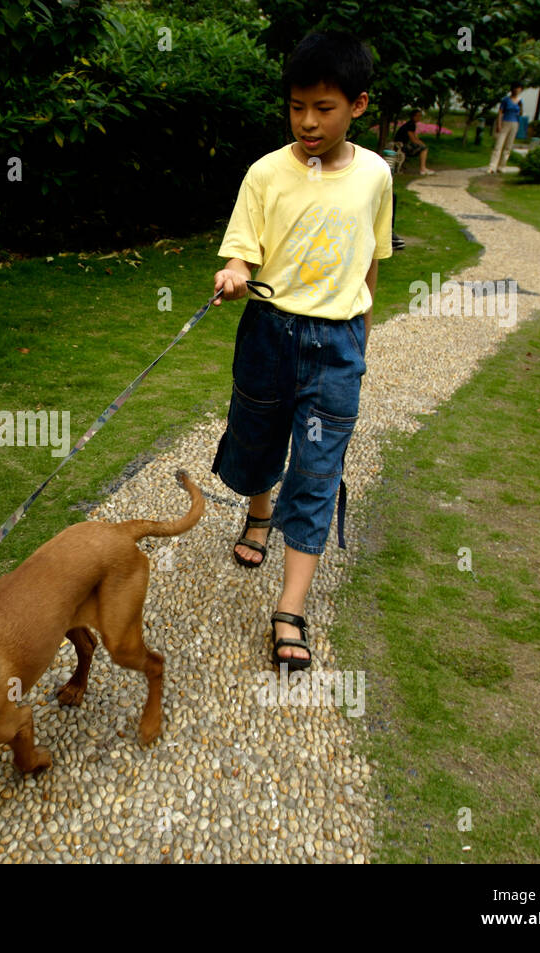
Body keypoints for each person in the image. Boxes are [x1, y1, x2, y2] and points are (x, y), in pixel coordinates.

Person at [210, 31, 392, 670]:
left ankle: (290, 608)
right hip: (268, 331)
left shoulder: (376, 174)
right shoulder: (265, 172)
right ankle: (257, 514)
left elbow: (372, 258)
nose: (308, 122)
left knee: (318, 471)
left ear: (358, 105)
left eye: (324, 108)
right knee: (256, 441)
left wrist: (362, 332)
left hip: (338, 344)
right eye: (296, 107)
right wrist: (235, 271)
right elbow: (243, 247)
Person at [488, 85, 525, 173]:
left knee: (508, 146)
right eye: (515, 88)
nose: (517, 90)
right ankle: (492, 166)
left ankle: (502, 166)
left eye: (519, 88)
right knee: (498, 145)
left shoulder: (520, 101)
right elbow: (500, 112)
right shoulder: (506, 100)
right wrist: (498, 124)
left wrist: (521, 106)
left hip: (515, 123)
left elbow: (520, 114)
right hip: (505, 122)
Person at [394, 109, 434, 174]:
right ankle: (422, 168)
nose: (419, 118)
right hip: (400, 146)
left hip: (401, 145)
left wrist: (421, 143)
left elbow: (415, 137)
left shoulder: (411, 124)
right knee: (424, 148)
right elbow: (413, 139)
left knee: (423, 147)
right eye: (417, 116)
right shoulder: (410, 124)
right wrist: (422, 145)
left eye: (420, 116)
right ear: (413, 116)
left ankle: (423, 168)